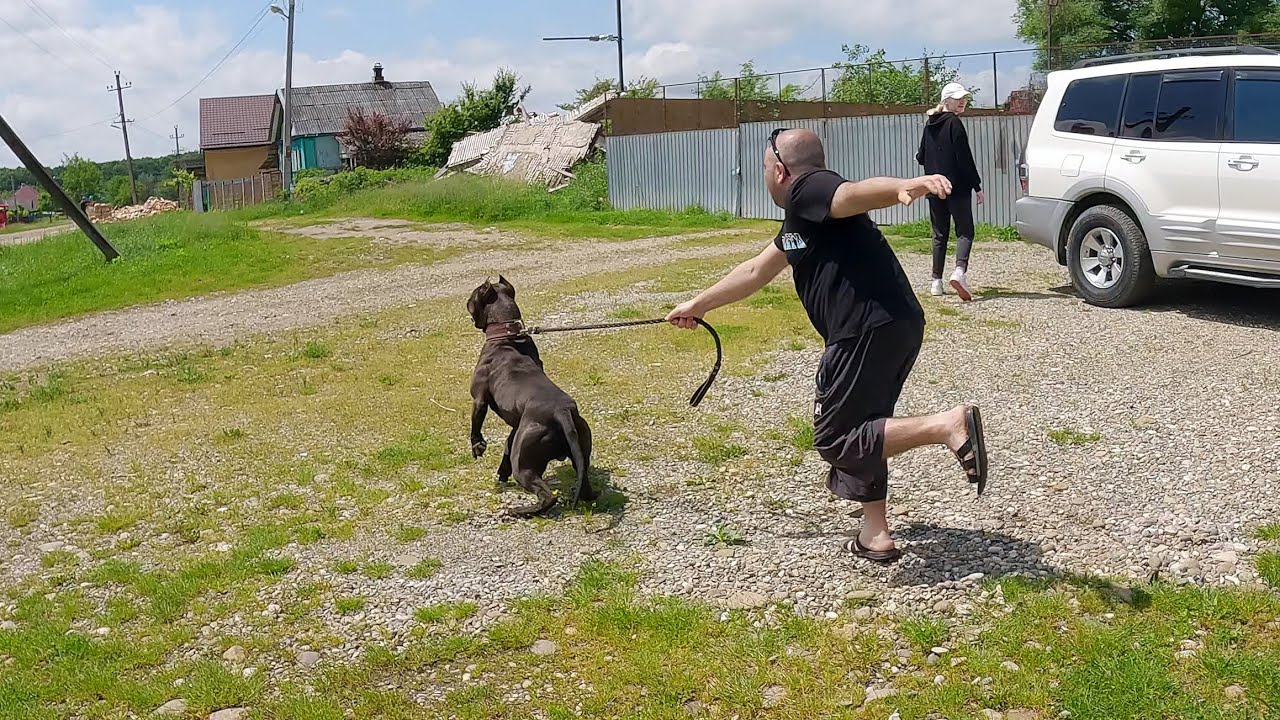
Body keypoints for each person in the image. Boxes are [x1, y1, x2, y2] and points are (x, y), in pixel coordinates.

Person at [666, 128, 990, 563]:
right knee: (868, 423)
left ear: (780, 169)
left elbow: (852, 193)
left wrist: (901, 187)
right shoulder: (803, 218)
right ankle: (875, 532)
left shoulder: (809, 190)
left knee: (837, 438)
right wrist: (698, 305)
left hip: (864, 330)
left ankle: (947, 425)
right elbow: (756, 270)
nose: (766, 174)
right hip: (894, 324)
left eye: (765, 167)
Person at [916, 82, 984, 301]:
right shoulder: (954, 123)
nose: (962, 101)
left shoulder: (929, 125)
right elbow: (964, 157)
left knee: (939, 234)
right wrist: (977, 185)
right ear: (947, 101)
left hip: (934, 187)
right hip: (957, 187)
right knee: (965, 231)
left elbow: (920, 156)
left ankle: (936, 281)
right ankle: (959, 272)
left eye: (964, 98)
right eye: (958, 98)